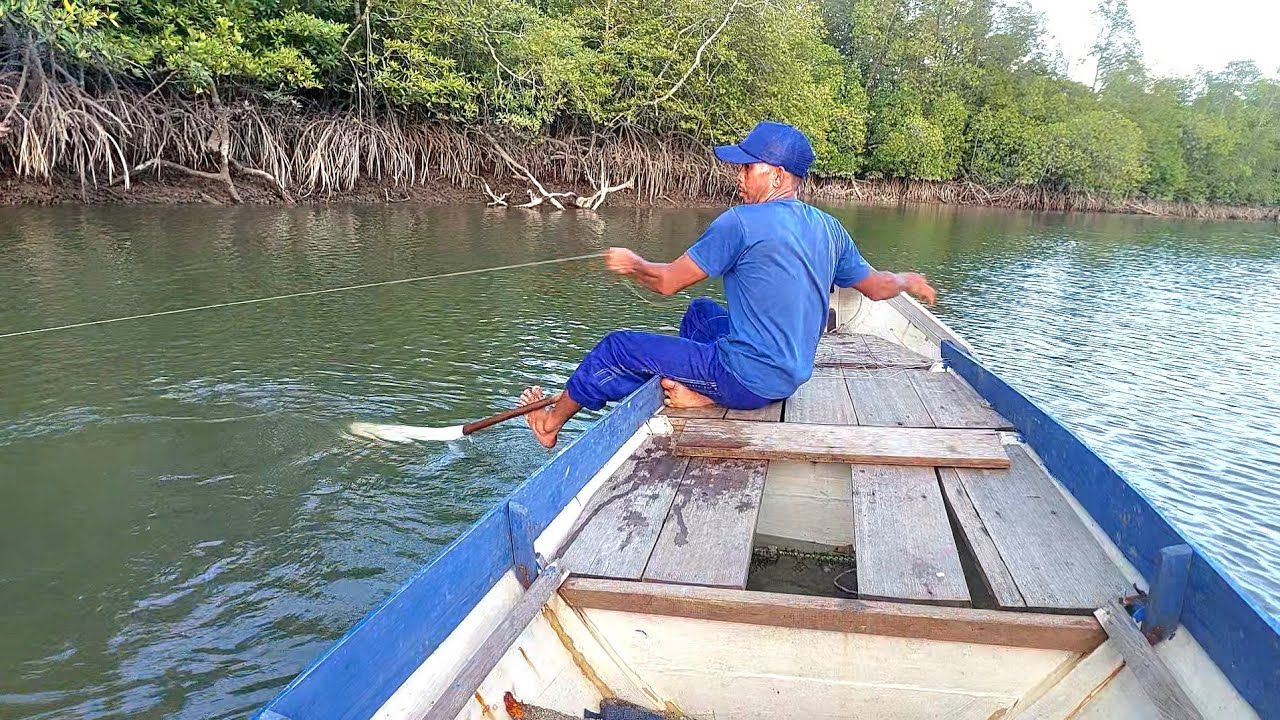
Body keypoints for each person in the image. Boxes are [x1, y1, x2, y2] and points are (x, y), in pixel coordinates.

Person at [520, 121, 937, 448]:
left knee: (617, 347)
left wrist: (632, 264)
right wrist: (910, 280)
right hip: (789, 377)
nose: (739, 176)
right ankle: (702, 390)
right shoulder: (829, 228)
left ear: (776, 176)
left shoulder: (739, 223)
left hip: (748, 379)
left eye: (747, 167)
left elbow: (665, 282)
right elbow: (879, 286)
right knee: (701, 313)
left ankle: (550, 423)